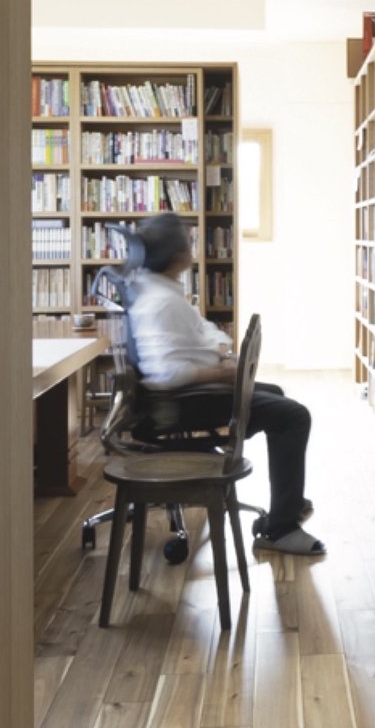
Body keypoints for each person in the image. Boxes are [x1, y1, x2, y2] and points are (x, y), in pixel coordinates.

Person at [126, 212, 325, 557]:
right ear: (178, 255)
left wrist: (220, 352)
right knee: (294, 416)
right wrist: (222, 374)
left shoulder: (162, 289)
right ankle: (281, 529)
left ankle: (286, 506)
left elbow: (204, 329)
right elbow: (165, 374)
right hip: (180, 404)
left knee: (275, 396)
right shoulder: (162, 302)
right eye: (187, 244)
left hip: (189, 393)